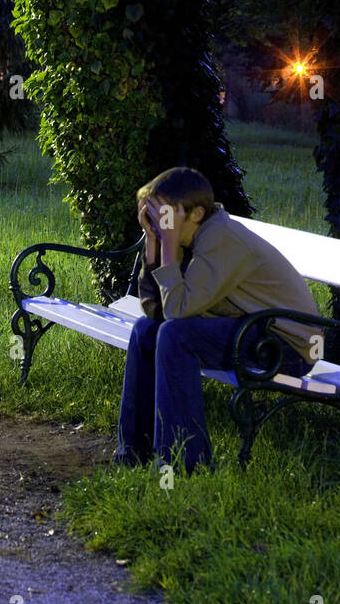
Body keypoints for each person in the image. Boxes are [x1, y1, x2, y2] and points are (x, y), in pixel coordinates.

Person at [114, 165, 325, 473]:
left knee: (176, 337)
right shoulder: (192, 235)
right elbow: (156, 311)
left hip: (285, 347)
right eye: (156, 218)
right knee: (146, 330)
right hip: (253, 329)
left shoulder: (220, 239)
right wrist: (152, 242)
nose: (162, 225)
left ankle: (186, 465)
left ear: (196, 213)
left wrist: (169, 244)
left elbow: (176, 313)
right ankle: (132, 455)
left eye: (167, 218)